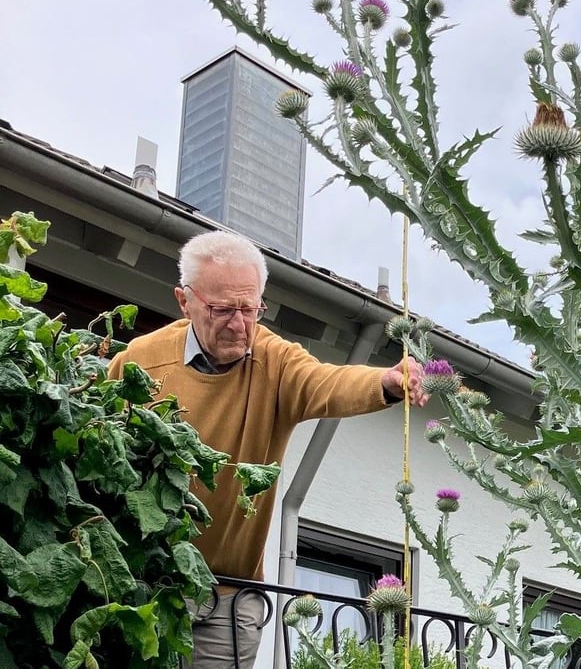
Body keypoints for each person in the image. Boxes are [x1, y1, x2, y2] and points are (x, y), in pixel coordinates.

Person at [107, 231, 427, 668]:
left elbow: (324, 382)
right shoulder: (138, 363)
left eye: (250, 309)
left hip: (229, 600)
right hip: (144, 585)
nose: (239, 325)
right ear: (185, 301)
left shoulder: (274, 361)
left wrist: (384, 384)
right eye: (222, 309)